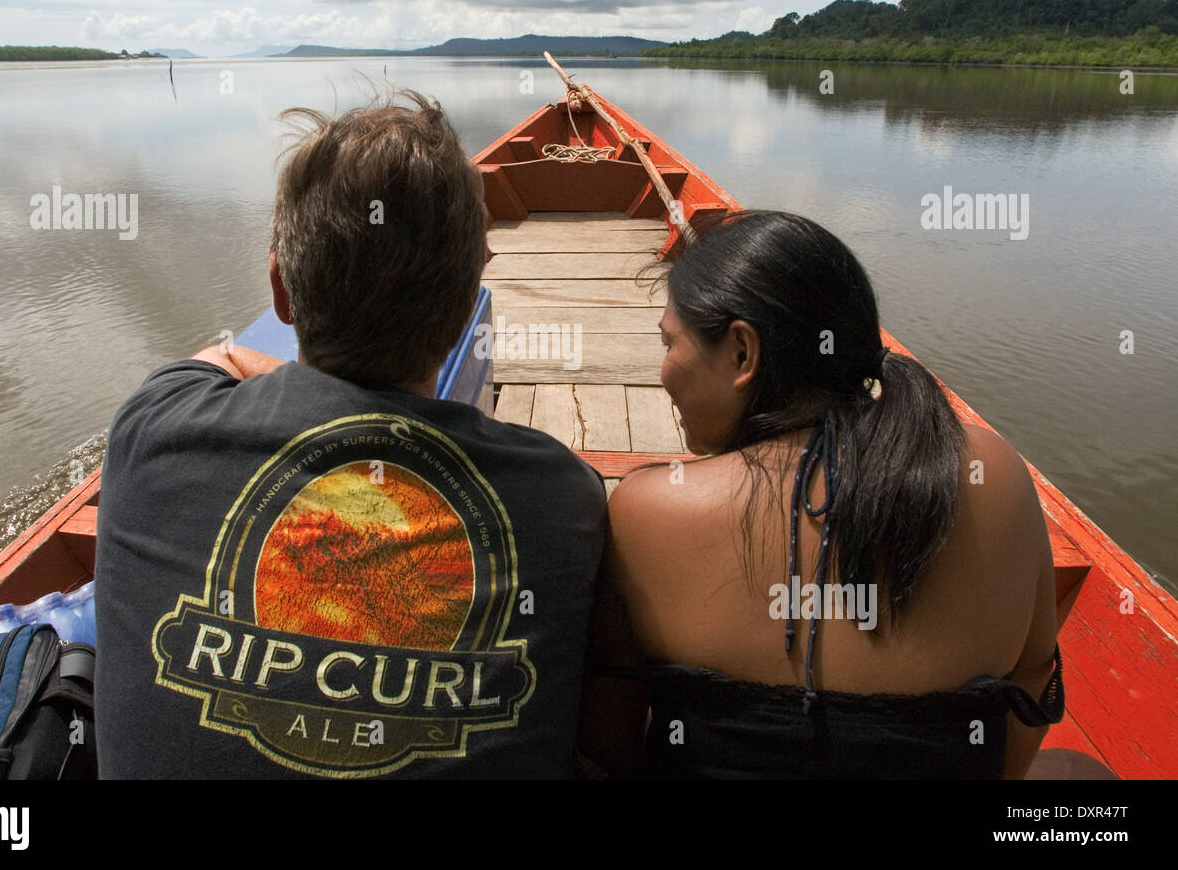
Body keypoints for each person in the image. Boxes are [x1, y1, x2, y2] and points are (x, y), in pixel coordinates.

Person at [94, 89, 607, 778]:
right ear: (468, 311)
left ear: (280, 292)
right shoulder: (563, 496)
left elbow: (212, 360)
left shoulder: (151, 425)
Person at [579, 210, 1079, 779]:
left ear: (743, 354)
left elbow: (609, 744)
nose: (663, 370)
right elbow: (1036, 674)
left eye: (670, 343)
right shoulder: (993, 472)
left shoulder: (647, 509)